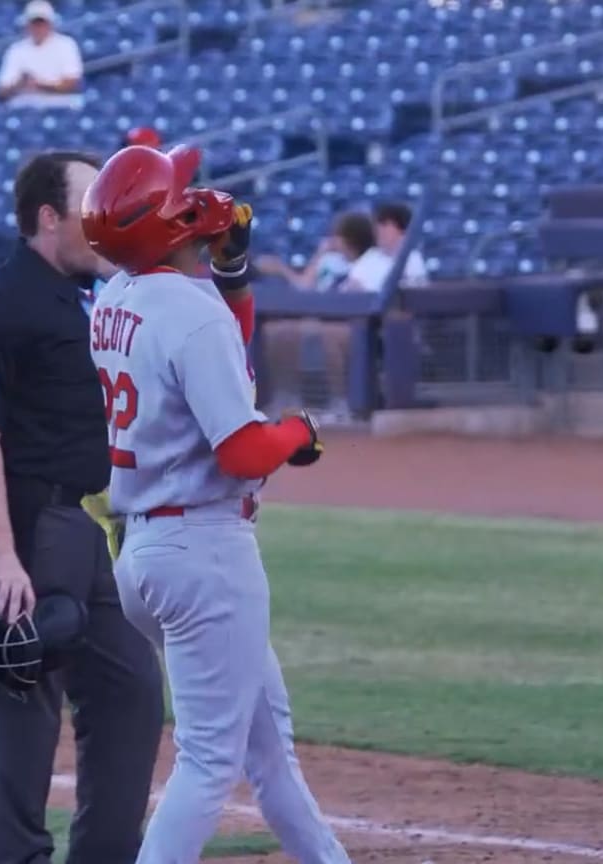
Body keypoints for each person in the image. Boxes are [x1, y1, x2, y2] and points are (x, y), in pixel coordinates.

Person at [81, 144, 354, 864]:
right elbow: (240, 450)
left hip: (149, 548)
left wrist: (226, 267)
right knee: (207, 765)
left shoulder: (114, 297)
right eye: (181, 192)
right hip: (203, 552)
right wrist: (299, 431)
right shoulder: (188, 311)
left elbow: (214, 353)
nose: (196, 195)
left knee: (268, 755)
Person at [0, 151, 164, 864]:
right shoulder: (1, 307)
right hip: (31, 530)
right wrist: (2, 557)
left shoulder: (92, 296)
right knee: (21, 707)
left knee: (131, 692)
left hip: (89, 529)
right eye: (89, 205)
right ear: (48, 217)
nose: (104, 218)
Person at [257, 212, 392, 420]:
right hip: (321, 319)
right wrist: (308, 260)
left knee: (328, 335)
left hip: (360, 327)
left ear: (350, 239)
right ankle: (287, 397)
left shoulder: (373, 262)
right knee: (277, 332)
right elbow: (305, 288)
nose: (331, 241)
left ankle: (341, 403)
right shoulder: (330, 260)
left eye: (336, 236)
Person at [0, 1, 85, 110]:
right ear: (27, 25)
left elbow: (72, 83)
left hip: (61, 102)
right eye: (34, 23)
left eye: (42, 22)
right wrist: (20, 83)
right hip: (27, 105)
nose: (38, 27)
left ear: (50, 24)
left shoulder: (66, 45)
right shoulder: (16, 50)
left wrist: (40, 85)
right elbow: (3, 90)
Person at [372, 201, 429, 287]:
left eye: (384, 225)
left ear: (402, 230)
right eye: (378, 224)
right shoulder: (370, 257)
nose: (379, 230)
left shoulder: (413, 260)